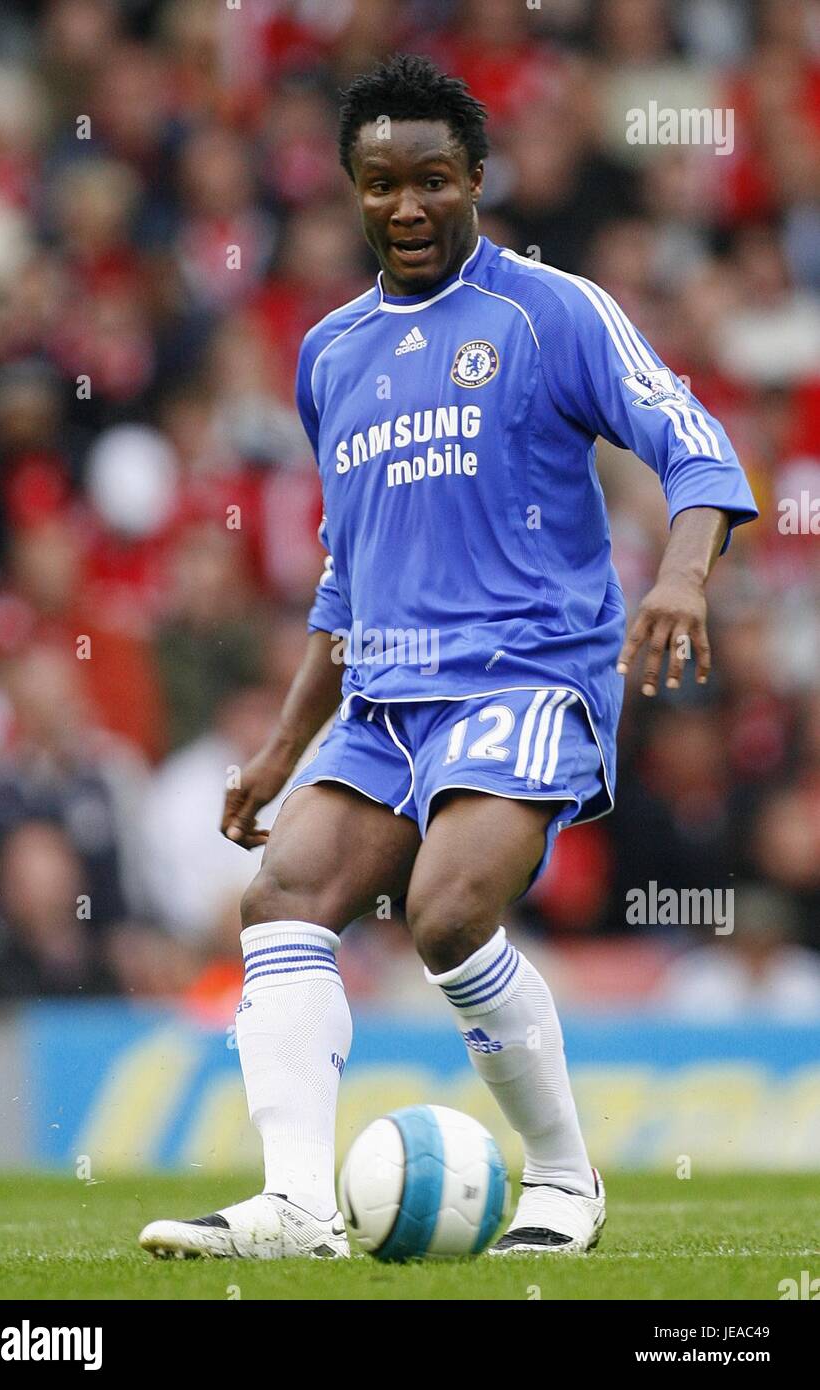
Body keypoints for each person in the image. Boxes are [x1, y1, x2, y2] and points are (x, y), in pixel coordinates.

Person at [139, 55, 757, 1261]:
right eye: (380, 184)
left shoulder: (551, 309)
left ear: (476, 177)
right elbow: (344, 572)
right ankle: (296, 1210)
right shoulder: (330, 354)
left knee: (446, 909)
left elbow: (690, 443)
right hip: (381, 696)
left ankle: (564, 1185)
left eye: (431, 179)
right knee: (282, 899)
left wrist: (682, 574)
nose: (406, 205)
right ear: (351, 193)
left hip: (527, 671)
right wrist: (277, 748)